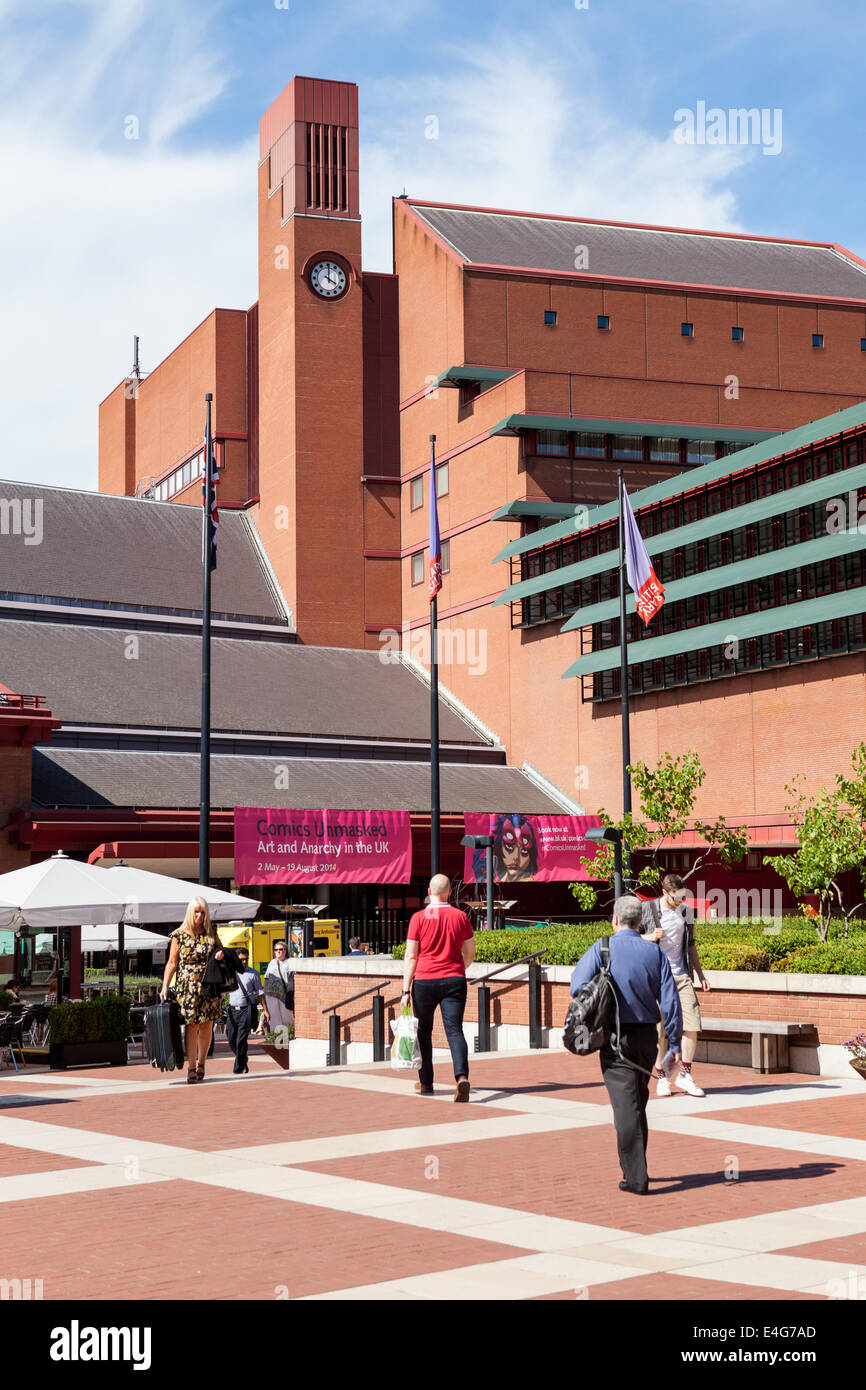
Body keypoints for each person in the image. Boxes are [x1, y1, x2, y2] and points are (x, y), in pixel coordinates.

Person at [570, 895, 682, 1195]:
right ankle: (637, 1166)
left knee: (625, 1108)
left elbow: (577, 986)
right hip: (647, 1038)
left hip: (615, 1038)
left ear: (615, 920)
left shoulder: (603, 948)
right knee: (637, 1102)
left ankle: (636, 1178)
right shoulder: (654, 953)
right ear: (641, 922)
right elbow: (670, 1001)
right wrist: (674, 1042)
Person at [401, 873, 475, 1102]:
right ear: (450, 893)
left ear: (429, 893)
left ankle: (426, 1082)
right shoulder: (461, 916)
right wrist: (456, 969)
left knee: (423, 1032)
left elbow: (411, 956)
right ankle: (461, 1077)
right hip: (454, 979)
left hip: (424, 981)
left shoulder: (418, 918)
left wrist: (405, 990)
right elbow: (470, 953)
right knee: (454, 1030)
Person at [641, 873, 711, 1098]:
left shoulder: (685, 912)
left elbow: (690, 945)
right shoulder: (648, 910)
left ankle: (685, 1074)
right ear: (664, 893)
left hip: (682, 977)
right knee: (660, 1030)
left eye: (683, 897)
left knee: (692, 1024)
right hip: (658, 979)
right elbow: (626, 936)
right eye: (676, 898)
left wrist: (700, 975)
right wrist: (649, 937)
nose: (680, 902)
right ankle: (662, 1077)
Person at [160, 897, 225, 1083]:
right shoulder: (179, 935)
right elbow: (172, 962)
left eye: (203, 912)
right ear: (190, 912)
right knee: (191, 1025)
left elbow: (223, 953)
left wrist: (220, 954)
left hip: (209, 985)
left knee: (207, 1025)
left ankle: (202, 1062)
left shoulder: (210, 933)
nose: (199, 915)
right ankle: (191, 1067)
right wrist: (165, 985)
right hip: (187, 987)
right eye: (196, 911)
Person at [226, 946, 268, 1075]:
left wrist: (265, 1010)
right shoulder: (230, 972)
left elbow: (260, 993)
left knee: (241, 1039)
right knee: (231, 1038)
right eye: (242, 959)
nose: (244, 962)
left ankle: (239, 1068)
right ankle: (242, 1058)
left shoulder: (253, 973)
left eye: (246, 959)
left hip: (246, 1009)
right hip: (232, 1010)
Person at [263, 940, 294, 1034]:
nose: (278, 951)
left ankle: (289, 1037)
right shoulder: (272, 963)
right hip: (271, 995)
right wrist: (264, 993)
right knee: (274, 1019)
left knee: (287, 1018)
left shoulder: (290, 963)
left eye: (281, 949)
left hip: (285, 995)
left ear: (285, 951)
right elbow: (266, 978)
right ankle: (277, 1039)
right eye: (276, 949)